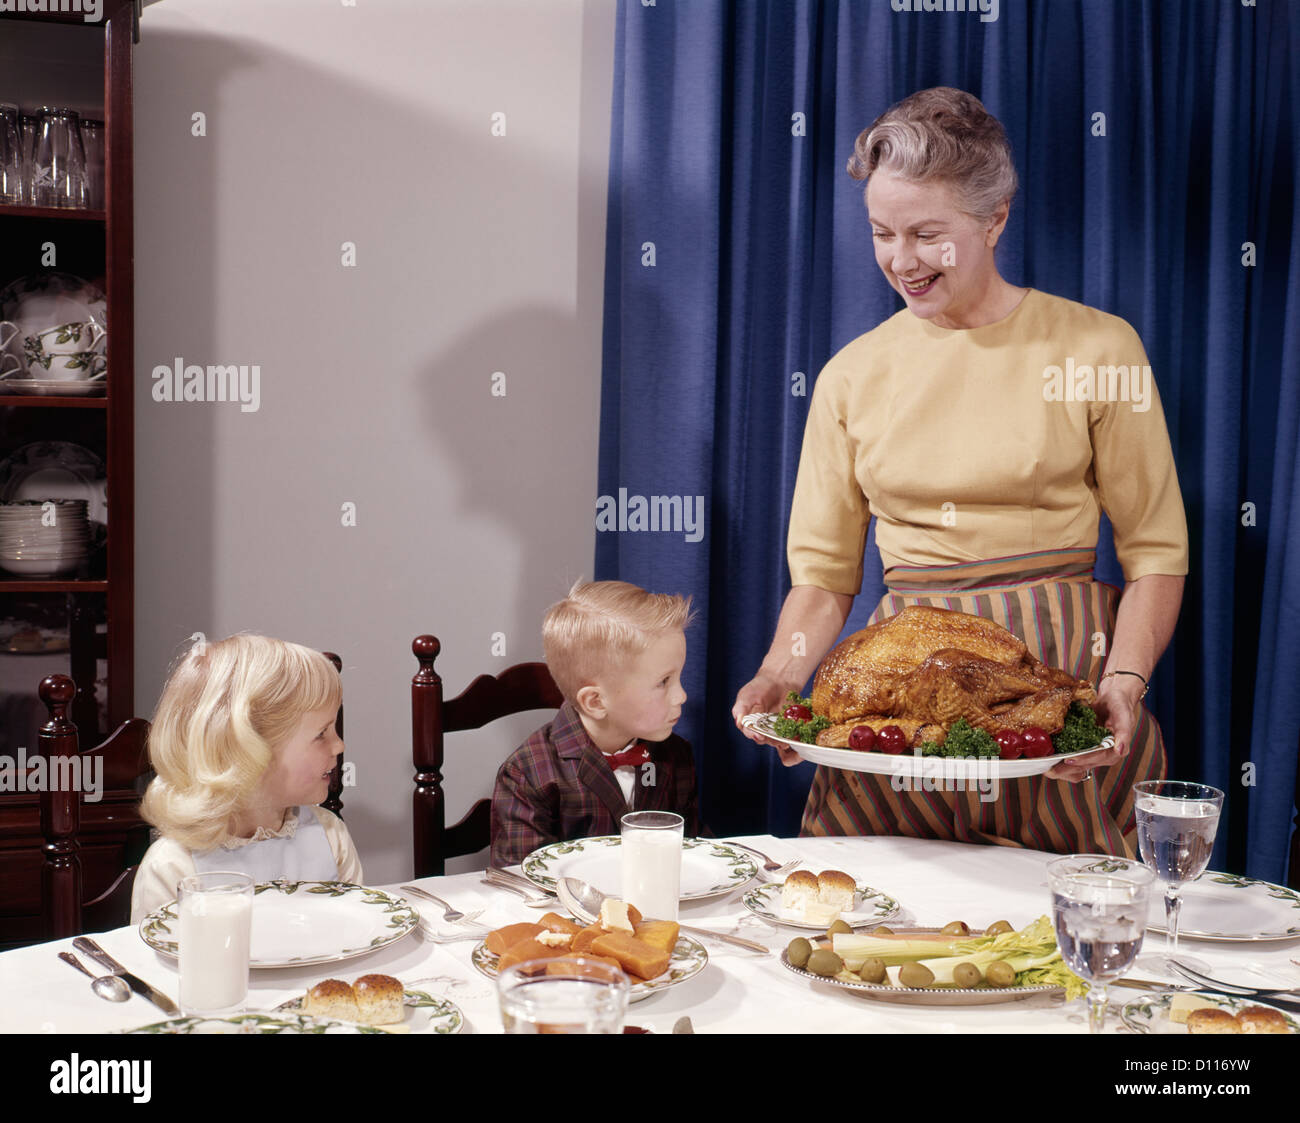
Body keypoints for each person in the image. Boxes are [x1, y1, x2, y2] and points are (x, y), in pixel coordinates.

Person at [732, 87, 1188, 856]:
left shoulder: (1100, 350)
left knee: (1062, 942)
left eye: (927, 234)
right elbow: (824, 577)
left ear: (995, 218)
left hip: (1055, 683)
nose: (901, 260)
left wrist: (1123, 685)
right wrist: (780, 675)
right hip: (898, 697)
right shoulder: (850, 376)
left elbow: (1156, 551)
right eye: (881, 233)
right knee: (880, 927)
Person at [130, 634, 362, 922]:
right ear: (248, 751)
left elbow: (358, 935)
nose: (339, 745)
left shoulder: (330, 836)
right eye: (321, 734)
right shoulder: (174, 867)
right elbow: (154, 964)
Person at [490, 580, 700, 867]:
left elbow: (694, 853)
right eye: (663, 682)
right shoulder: (528, 776)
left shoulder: (675, 755)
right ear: (596, 702)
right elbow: (520, 883)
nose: (682, 695)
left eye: (678, 678)